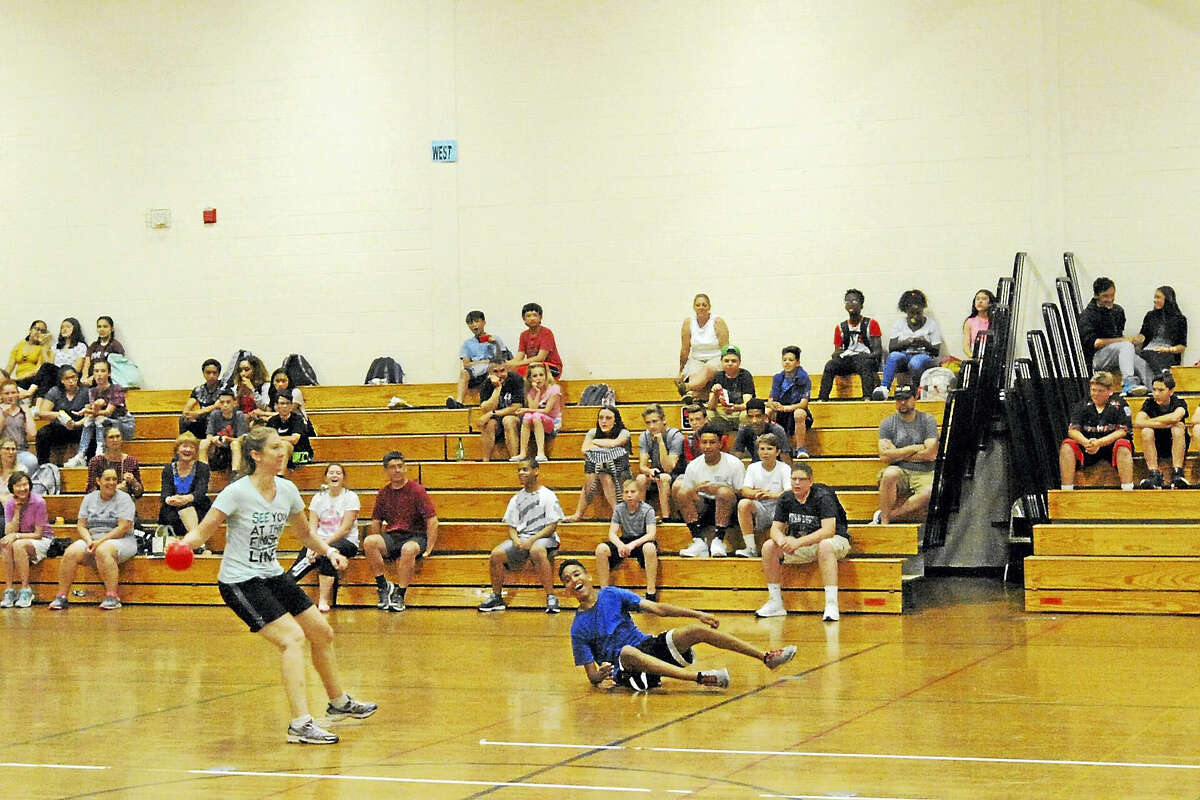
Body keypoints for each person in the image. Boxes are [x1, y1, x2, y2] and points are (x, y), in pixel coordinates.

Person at [179, 427, 377, 744]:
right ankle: (301, 723)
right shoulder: (237, 492)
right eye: (274, 448)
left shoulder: (287, 490)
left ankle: (339, 703)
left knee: (321, 632)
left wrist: (330, 551)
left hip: (272, 573)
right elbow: (203, 533)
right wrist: (181, 547)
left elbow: (305, 535)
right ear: (256, 455)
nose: (281, 452)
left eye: (282, 447)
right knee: (292, 639)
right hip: (240, 581)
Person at [560, 558, 796, 691]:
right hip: (628, 670)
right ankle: (700, 678)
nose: (574, 580)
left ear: (588, 576)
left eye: (577, 574)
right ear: (567, 590)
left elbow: (658, 609)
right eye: (567, 580)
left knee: (695, 631)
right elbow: (592, 675)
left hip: (648, 647)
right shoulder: (578, 629)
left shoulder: (611, 594)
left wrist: (697, 614)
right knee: (627, 651)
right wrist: (600, 675)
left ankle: (766, 657)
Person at [754, 461, 852, 622]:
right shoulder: (786, 497)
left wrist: (797, 543)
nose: (797, 483)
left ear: (810, 481)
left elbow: (828, 531)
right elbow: (775, 529)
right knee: (769, 546)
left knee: (825, 546)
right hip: (803, 544)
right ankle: (775, 602)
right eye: (793, 479)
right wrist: (783, 540)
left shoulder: (822, 496)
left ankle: (831, 604)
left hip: (835, 541)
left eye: (801, 479)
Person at [478, 458, 565, 613]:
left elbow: (552, 526)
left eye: (525, 469)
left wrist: (532, 540)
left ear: (536, 471)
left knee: (536, 550)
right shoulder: (516, 498)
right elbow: (511, 526)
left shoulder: (548, 495)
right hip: (523, 538)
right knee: (496, 555)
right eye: (519, 470)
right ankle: (497, 597)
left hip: (544, 539)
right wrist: (516, 540)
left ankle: (551, 596)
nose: (521, 473)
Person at [48, 466, 137, 611]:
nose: (112, 482)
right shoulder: (89, 498)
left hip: (122, 541)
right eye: (107, 479)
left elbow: (123, 528)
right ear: (98, 481)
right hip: (94, 540)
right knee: (71, 552)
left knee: (103, 550)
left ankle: (112, 597)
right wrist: (89, 541)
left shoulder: (124, 499)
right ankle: (62, 596)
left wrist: (99, 542)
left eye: (114, 479)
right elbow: (81, 525)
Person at [362, 451, 439, 613]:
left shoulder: (417, 490)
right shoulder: (383, 493)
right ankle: (383, 586)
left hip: (415, 536)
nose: (397, 470)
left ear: (405, 468)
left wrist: (429, 548)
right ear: (386, 471)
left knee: (408, 549)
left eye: (400, 466)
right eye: (392, 467)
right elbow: (376, 520)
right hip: (392, 536)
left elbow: (432, 520)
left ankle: (400, 594)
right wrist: (378, 539)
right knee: (369, 542)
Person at [289, 463, 361, 613]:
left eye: (338, 473)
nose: (334, 476)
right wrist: (311, 546)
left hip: (346, 541)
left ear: (343, 478)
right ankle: (281, 595)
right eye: (331, 473)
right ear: (325, 477)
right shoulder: (318, 498)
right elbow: (312, 527)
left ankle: (323, 600)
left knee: (330, 554)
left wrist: (323, 547)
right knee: (300, 564)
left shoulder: (351, 497)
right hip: (320, 541)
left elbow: (345, 528)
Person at [674, 426, 746, 558]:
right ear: (699, 444)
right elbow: (689, 496)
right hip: (703, 507)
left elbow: (742, 493)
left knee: (723, 492)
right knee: (683, 491)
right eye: (704, 442)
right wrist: (697, 488)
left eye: (712, 442)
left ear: (720, 444)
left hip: (729, 508)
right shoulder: (693, 466)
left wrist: (719, 489)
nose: (707, 446)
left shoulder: (734, 464)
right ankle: (698, 541)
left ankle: (719, 540)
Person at [1077, 277, 1154, 396]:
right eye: (1105, 296)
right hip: (1097, 358)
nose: (1110, 299)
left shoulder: (1118, 311)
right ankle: (1128, 382)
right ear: (1097, 295)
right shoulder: (1087, 315)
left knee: (1139, 360)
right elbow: (1095, 343)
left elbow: (1120, 339)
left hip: (1114, 353)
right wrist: (1123, 340)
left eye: (1112, 295)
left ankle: (1154, 390)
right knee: (1125, 345)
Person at [1058, 371, 1134, 491]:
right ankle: (1066, 490)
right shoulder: (1082, 405)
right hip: (1088, 445)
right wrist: (1086, 442)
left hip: (1111, 445)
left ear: (1110, 391)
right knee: (1067, 445)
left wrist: (1099, 442)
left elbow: (1122, 431)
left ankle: (1128, 488)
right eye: (1093, 390)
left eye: (1100, 391)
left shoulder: (1120, 404)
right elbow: (1073, 430)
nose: (1095, 394)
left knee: (1123, 445)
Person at [874, 385, 939, 524]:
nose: (902, 402)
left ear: (915, 398)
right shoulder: (887, 423)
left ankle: (886, 516)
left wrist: (896, 452)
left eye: (906, 398)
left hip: (925, 471)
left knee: (932, 491)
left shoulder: (928, 420)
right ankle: (884, 523)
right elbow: (884, 457)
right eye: (898, 399)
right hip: (900, 469)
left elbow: (931, 454)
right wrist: (915, 448)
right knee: (889, 474)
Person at [564, 406, 632, 523]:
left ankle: (618, 513)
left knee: (602, 473)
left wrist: (595, 443)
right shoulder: (593, 432)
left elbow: (615, 443)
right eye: (601, 418)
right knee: (596, 474)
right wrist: (605, 446)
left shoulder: (623, 432)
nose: (604, 421)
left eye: (608, 418)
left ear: (615, 420)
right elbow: (585, 449)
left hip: (620, 472)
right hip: (599, 471)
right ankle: (578, 514)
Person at [595, 479, 659, 601]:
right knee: (601, 549)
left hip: (641, 540)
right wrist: (620, 545)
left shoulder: (648, 510)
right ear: (623, 495)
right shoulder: (619, 509)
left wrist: (632, 545)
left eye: (633, 491)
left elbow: (651, 534)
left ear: (640, 494)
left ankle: (651, 592)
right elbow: (612, 534)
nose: (629, 495)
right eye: (626, 492)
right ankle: (604, 591)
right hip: (625, 539)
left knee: (650, 548)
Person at [874, 289, 942, 399]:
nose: (915, 316)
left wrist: (924, 342)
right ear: (906, 311)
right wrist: (905, 342)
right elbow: (892, 348)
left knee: (915, 362)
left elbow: (936, 351)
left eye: (918, 313)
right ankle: (884, 389)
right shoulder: (899, 323)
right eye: (911, 313)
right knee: (894, 356)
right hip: (905, 355)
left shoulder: (931, 324)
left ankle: (916, 390)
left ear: (922, 310)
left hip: (924, 357)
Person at [734, 433, 792, 559]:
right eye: (762, 449)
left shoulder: (785, 468)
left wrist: (772, 495)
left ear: (777, 452)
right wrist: (756, 494)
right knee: (743, 504)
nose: (765, 452)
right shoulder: (753, 468)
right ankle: (751, 548)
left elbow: (789, 493)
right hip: (761, 508)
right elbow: (745, 490)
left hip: (780, 510)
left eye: (769, 449)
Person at [818, 289, 884, 401]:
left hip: (866, 358)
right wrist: (838, 354)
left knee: (866, 365)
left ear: (861, 305)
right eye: (847, 301)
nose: (850, 303)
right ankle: (822, 399)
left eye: (854, 300)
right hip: (848, 360)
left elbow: (878, 351)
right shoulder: (841, 327)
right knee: (830, 365)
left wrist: (866, 356)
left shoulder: (871, 324)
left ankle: (867, 397)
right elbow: (837, 350)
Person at [0, 473, 53, 609]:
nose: (23, 488)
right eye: (18, 486)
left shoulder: (39, 502)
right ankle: (9, 590)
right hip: (22, 538)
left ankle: (26, 590)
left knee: (17, 544)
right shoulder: (10, 504)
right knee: (5, 544)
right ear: (12, 489)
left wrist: (17, 536)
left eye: (25, 485)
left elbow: (38, 534)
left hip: (42, 540)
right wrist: (17, 511)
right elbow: (8, 532)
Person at [68, 360, 135, 466]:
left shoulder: (116, 389)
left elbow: (108, 412)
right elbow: (92, 414)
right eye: (96, 371)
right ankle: (81, 455)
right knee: (92, 420)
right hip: (106, 423)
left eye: (103, 371)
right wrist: (76, 423)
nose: (99, 374)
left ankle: (100, 453)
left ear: (109, 373)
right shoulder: (92, 391)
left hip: (122, 423)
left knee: (100, 419)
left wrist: (89, 410)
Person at [1133, 371, 1191, 490]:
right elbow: (1138, 422)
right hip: (1157, 444)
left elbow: (1175, 417)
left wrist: (1152, 422)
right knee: (1146, 431)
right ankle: (1154, 474)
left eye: (1161, 390)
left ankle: (1177, 472)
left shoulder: (1178, 402)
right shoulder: (1149, 402)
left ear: (1171, 391)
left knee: (1178, 427)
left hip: (1175, 443)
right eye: (1154, 390)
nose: (1156, 394)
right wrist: (1165, 424)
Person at [447, 310, 510, 409]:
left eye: (477, 321)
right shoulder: (467, 343)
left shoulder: (495, 338)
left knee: (493, 367)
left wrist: (495, 344)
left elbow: (501, 360)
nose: (474, 325)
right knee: (464, 372)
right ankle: (458, 402)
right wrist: (483, 362)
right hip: (477, 372)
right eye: (470, 323)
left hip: (492, 370)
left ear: (484, 322)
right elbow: (466, 364)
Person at [635, 404, 685, 520]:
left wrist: (661, 442)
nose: (651, 426)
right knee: (641, 479)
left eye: (655, 421)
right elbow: (642, 466)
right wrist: (649, 470)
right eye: (648, 423)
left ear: (663, 420)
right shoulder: (645, 436)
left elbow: (668, 467)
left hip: (676, 475)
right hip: (658, 473)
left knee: (663, 478)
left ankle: (666, 518)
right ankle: (641, 518)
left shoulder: (675, 436)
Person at [676, 293, 729, 400]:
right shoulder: (688, 322)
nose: (701, 308)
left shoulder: (717, 321)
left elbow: (725, 348)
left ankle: (686, 388)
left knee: (707, 369)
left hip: (715, 358)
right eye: (698, 305)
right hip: (696, 359)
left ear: (709, 307)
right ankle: (693, 396)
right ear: (694, 307)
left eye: (704, 305)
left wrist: (728, 366)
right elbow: (685, 350)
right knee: (694, 373)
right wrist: (680, 371)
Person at [157, 432, 211, 538]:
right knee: (168, 513)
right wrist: (171, 499)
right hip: (174, 507)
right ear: (177, 450)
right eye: (184, 446)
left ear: (196, 451)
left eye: (192, 447)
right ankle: (196, 543)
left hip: (197, 506)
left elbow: (201, 492)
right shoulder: (168, 469)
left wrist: (186, 499)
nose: (188, 450)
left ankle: (197, 541)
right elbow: (165, 494)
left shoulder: (202, 468)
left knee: (187, 508)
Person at [34, 366, 89, 465]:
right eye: (67, 379)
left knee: (91, 432)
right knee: (43, 433)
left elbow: (89, 415)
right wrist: (57, 414)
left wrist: (76, 424)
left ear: (77, 377)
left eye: (73, 377)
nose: (71, 381)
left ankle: (90, 464)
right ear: (62, 380)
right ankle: (43, 465)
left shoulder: (85, 391)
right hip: (60, 427)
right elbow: (42, 413)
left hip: (79, 426)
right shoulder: (55, 391)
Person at [24, 318, 89, 401]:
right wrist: (43, 345)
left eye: (68, 327)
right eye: (62, 327)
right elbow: (49, 363)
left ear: (75, 329)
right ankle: (36, 404)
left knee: (46, 370)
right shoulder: (56, 347)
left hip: (68, 375)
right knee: (30, 380)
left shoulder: (80, 346)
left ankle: (30, 392)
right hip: (55, 375)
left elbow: (77, 369)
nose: (64, 329)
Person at [476, 357, 525, 462]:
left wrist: (492, 413)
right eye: (495, 372)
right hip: (498, 421)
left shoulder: (516, 380)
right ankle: (485, 462)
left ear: (507, 370)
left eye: (502, 371)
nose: (499, 375)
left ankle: (515, 461)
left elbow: (517, 407)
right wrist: (497, 389)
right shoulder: (487, 383)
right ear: (490, 373)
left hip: (517, 419)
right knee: (489, 424)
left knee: (508, 420)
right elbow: (485, 408)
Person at [511, 363, 563, 463]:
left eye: (541, 375)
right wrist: (537, 392)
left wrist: (526, 409)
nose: (538, 378)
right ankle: (522, 453)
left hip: (553, 422)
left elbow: (546, 411)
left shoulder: (555, 389)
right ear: (530, 379)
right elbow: (533, 408)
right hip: (537, 420)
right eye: (535, 376)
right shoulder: (530, 391)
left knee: (535, 415)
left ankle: (541, 452)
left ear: (546, 376)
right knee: (528, 416)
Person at [767, 346, 813, 456]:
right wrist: (773, 404)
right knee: (766, 412)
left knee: (799, 413)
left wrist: (786, 408)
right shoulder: (778, 378)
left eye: (791, 360)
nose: (787, 363)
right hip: (781, 412)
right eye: (784, 360)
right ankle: (770, 448)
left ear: (797, 363)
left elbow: (803, 404)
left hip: (796, 411)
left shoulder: (804, 378)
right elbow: (770, 400)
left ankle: (801, 448)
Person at [1137, 285, 1188, 374]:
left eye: (1158, 297)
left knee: (1163, 357)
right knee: (1148, 353)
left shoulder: (1180, 319)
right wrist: (1138, 339)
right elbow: (1143, 334)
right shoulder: (1150, 315)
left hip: (1168, 352)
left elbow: (1182, 346)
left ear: (1167, 299)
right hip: (1149, 350)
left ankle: (1160, 376)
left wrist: (1167, 350)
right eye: (1154, 297)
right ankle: (1161, 375)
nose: (1154, 300)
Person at [85, 427, 144, 502]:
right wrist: (114, 490)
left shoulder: (131, 461)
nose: (115, 440)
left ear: (122, 439)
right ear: (105, 441)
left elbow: (139, 493)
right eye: (111, 437)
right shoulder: (96, 461)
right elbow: (90, 491)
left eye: (117, 436)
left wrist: (133, 482)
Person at [705, 345, 755, 434]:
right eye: (726, 361)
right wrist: (715, 394)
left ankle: (743, 440)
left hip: (739, 412)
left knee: (746, 415)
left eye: (734, 361)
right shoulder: (718, 376)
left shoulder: (745, 375)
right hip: (725, 414)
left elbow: (748, 404)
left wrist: (735, 408)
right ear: (721, 362)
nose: (730, 363)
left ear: (739, 362)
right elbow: (711, 406)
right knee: (709, 414)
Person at [509, 302, 563, 378]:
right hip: (533, 366)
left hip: (552, 368)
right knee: (512, 372)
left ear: (540, 317)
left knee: (528, 369)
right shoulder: (523, 335)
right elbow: (519, 357)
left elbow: (540, 358)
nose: (532, 318)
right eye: (528, 316)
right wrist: (507, 365)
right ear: (524, 319)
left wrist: (517, 364)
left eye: (535, 315)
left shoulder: (547, 333)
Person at [732, 399, 795, 464]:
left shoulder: (777, 430)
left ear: (764, 417)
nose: (754, 421)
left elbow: (786, 460)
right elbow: (736, 458)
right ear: (747, 418)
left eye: (758, 416)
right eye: (750, 417)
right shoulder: (744, 431)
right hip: (756, 468)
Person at [199, 389, 249, 472]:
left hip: (233, 448)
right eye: (222, 402)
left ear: (234, 402)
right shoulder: (215, 414)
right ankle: (202, 472)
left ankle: (235, 473)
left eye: (228, 402)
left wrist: (228, 439)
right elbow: (209, 434)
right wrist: (213, 439)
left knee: (235, 444)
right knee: (204, 442)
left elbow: (241, 439)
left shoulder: (239, 415)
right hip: (218, 447)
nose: (225, 405)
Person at [6, 321, 51, 399]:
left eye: (42, 331)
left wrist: (18, 378)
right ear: (30, 330)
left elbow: (39, 370)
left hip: (31, 380)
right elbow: (10, 365)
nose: (39, 332)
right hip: (18, 380)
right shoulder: (19, 345)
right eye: (37, 329)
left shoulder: (43, 348)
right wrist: (5, 377)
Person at [0, 381, 39, 473]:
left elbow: (32, 434)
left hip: (20, 451)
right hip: (2, 451)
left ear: (18, 394)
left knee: (32, 461)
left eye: (13, 393)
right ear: (1, 395)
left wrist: (27, 413)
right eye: (7, 393)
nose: (10, 396)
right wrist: (3, 416)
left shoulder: (23, 411)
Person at [179, 359, 224, 439]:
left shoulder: (224, 388)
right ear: (203, 373)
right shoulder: (198, 390)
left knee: (212, 416)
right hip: (202, 421)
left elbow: (217, 405)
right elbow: (186, 410)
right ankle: (184, 444)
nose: (211, 376)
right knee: (183, 419)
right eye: (208, 373)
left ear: (218, 374)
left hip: (219, 420)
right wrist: (189, 415)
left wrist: (198, 413)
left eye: (214, 373)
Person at [266, 394, 313, 467]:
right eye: (282, 403)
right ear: (276, 406)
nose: (285, 406)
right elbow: (267, 440)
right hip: (279, 454)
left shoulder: (298, 419)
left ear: (291, 406)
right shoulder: (272, 421)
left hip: (300, 454)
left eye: (287, 403)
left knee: (285, 445)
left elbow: (294, 439)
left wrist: (274, 438)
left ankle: (280, 475)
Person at [80, 315, 125, 387]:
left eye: (105, 326)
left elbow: (117, 368)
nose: (101, 329)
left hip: (107, 382)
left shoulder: (115, 345)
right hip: (91, 382)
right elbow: (87, 363)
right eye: (99, 326)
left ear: (112, 329)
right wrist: (84, 377)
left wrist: (94, 377)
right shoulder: (94, 345)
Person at [963, 289, 997, 356]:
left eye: (984, 299)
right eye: (977, 299)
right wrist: (974, 357)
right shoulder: (969, 322)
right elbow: (966, 346)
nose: (980, 301)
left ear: (990, 303)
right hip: (975, 358)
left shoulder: (995, 322)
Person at [0, 439, 23, 507]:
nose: (11, 452)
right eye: (7, 449)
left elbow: (20, 493)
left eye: (13, 449)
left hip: (12, 506)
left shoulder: (21, 470)